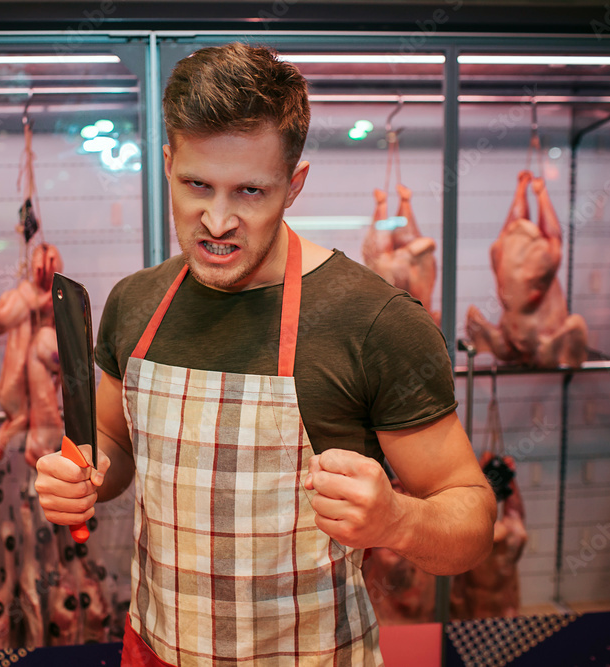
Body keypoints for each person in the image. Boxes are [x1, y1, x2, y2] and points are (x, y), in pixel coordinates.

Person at [35, 42, 496, 666]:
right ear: (168, 163)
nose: (217, 220)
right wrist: (82, 479)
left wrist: (399, 523)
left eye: (250, 191)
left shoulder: (373, 322)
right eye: (196, 184)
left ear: (293, 184)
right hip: (155, 651)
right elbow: (113, 450)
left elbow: (472, 520)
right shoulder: (135, 304)